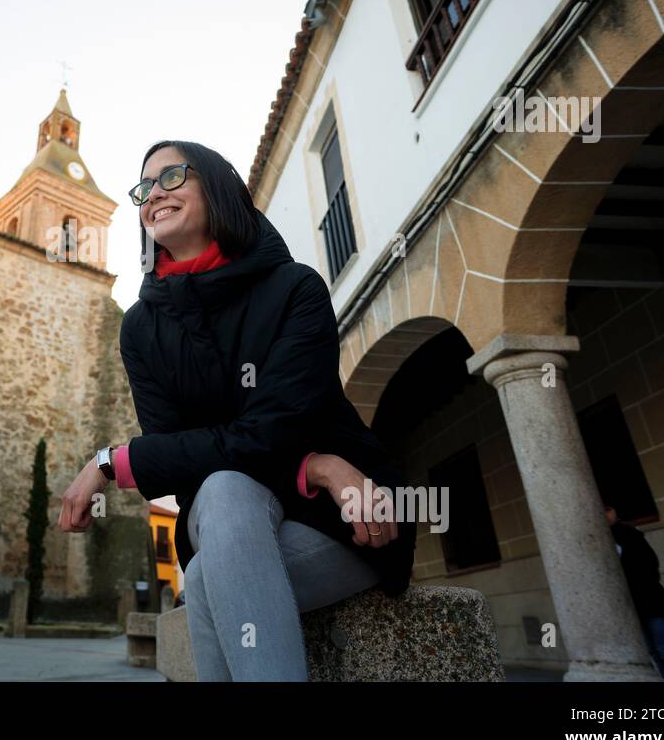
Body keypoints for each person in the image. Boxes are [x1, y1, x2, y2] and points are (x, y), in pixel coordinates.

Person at [58, 140, 417, 681]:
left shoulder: (295, 289)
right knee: (224, 489)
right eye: (145, 187)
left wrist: (113, 461)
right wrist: (318, 466)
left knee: (202, 580)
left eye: (173, 176)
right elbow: (183, 462)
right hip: (231, 513)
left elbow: (273, 430)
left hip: (338, 521)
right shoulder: (141, 328)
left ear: (218, 187)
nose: (155, 194)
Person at [605, 503, 664, 682]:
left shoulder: (630, 534)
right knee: (655, 653)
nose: (604, 514)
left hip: (653, 602)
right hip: (635, 607)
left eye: (607, 509)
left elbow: (650, 566)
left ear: (616, 512)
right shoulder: (607, 537)